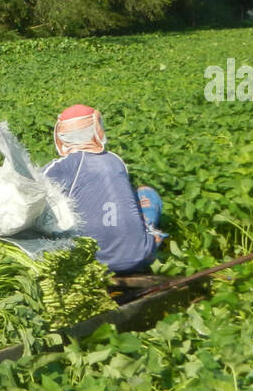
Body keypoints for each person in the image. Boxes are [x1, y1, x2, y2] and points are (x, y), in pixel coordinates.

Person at [42, 104, 165, 274]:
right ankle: (149, 235)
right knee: (146, 193)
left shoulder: (61, 166)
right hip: (138, 257)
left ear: (62, 135)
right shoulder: (115, 161)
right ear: (96, 128)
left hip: (92, 261)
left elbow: (32, 191)